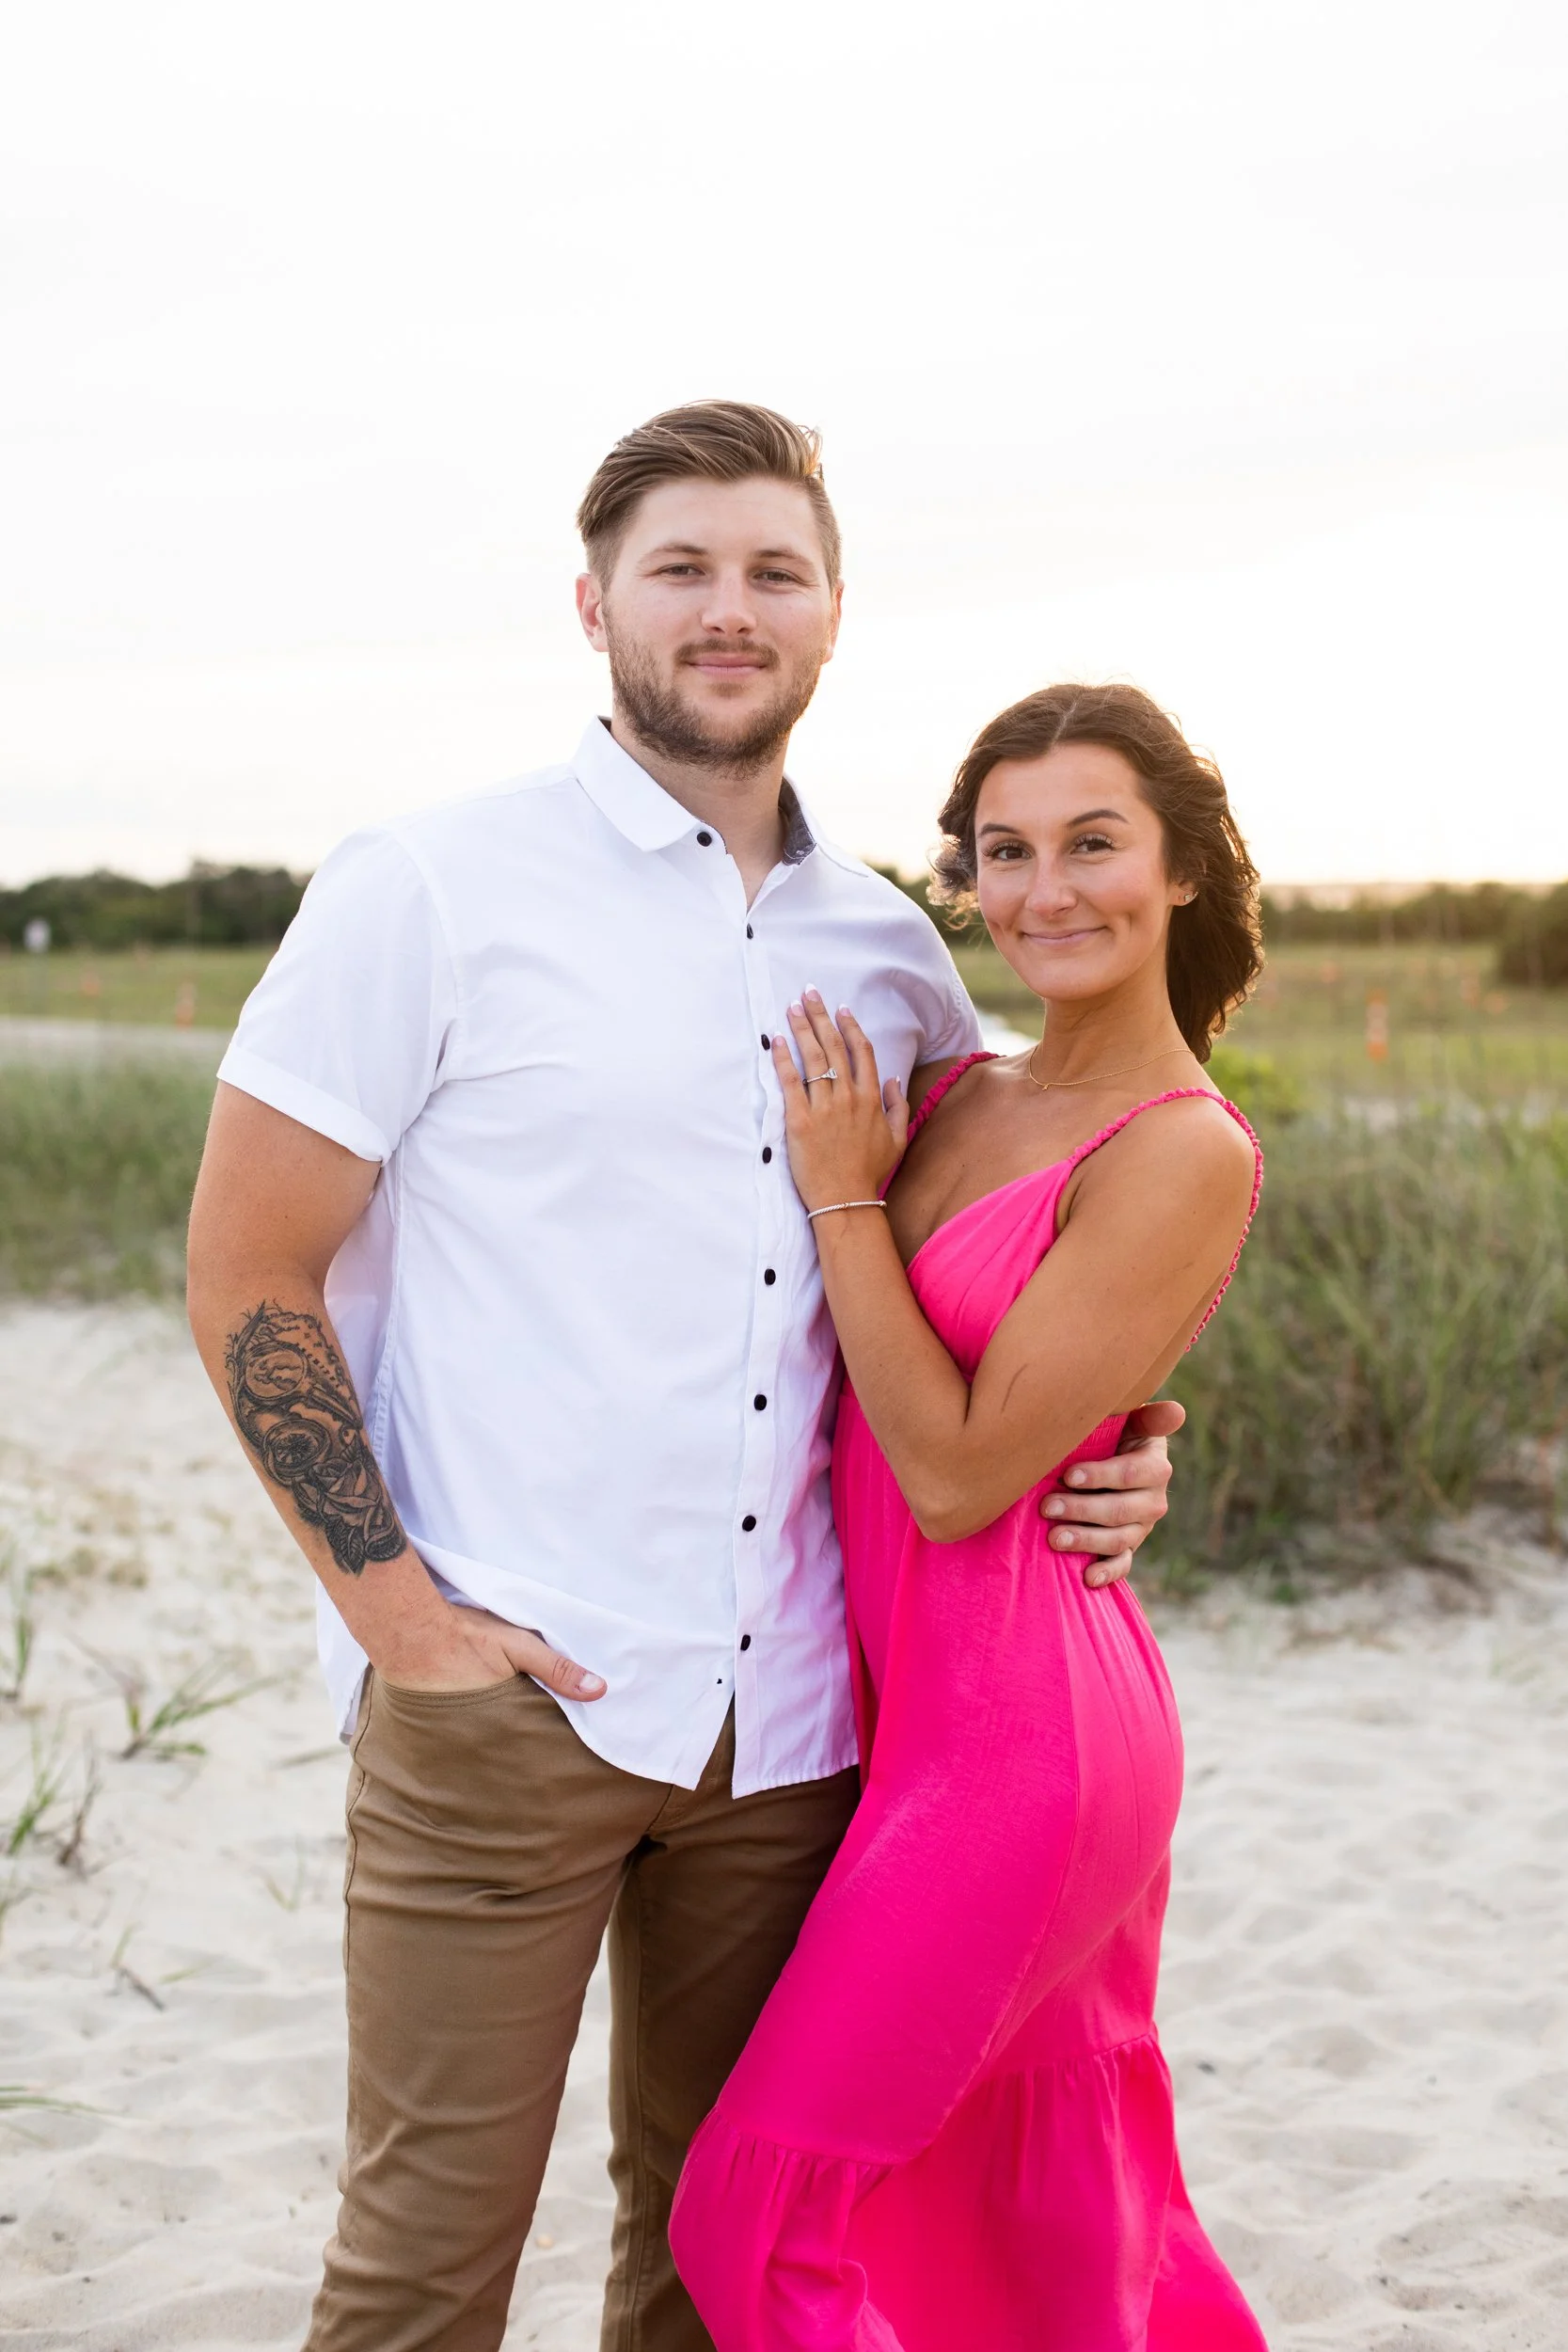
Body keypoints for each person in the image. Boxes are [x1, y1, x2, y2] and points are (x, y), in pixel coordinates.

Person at [184, 404, 1181, 2352]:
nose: (730, 609)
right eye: (682, 569)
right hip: (506, 1696)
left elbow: (988, 1265)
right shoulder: (427, 885)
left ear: (830, 614)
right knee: (421, 2271)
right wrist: (399, 1618)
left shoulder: (889, 946)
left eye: (773, 571)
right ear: (594, 606)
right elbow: (246, 1269)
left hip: (794, 1726)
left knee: (723, 2261)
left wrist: (1128, 1434)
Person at [670, 682, 1268, 2350]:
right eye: (1004, 852)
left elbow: (948, 1475)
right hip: (898, 1715)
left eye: (1092, 844)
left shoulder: (1182, 1148)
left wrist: (843, 1194)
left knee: (751, 2219)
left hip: (1024, 1746)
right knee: (1012, 2236)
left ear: (1183, 871)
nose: (1043, 890)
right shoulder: (959, 1090)